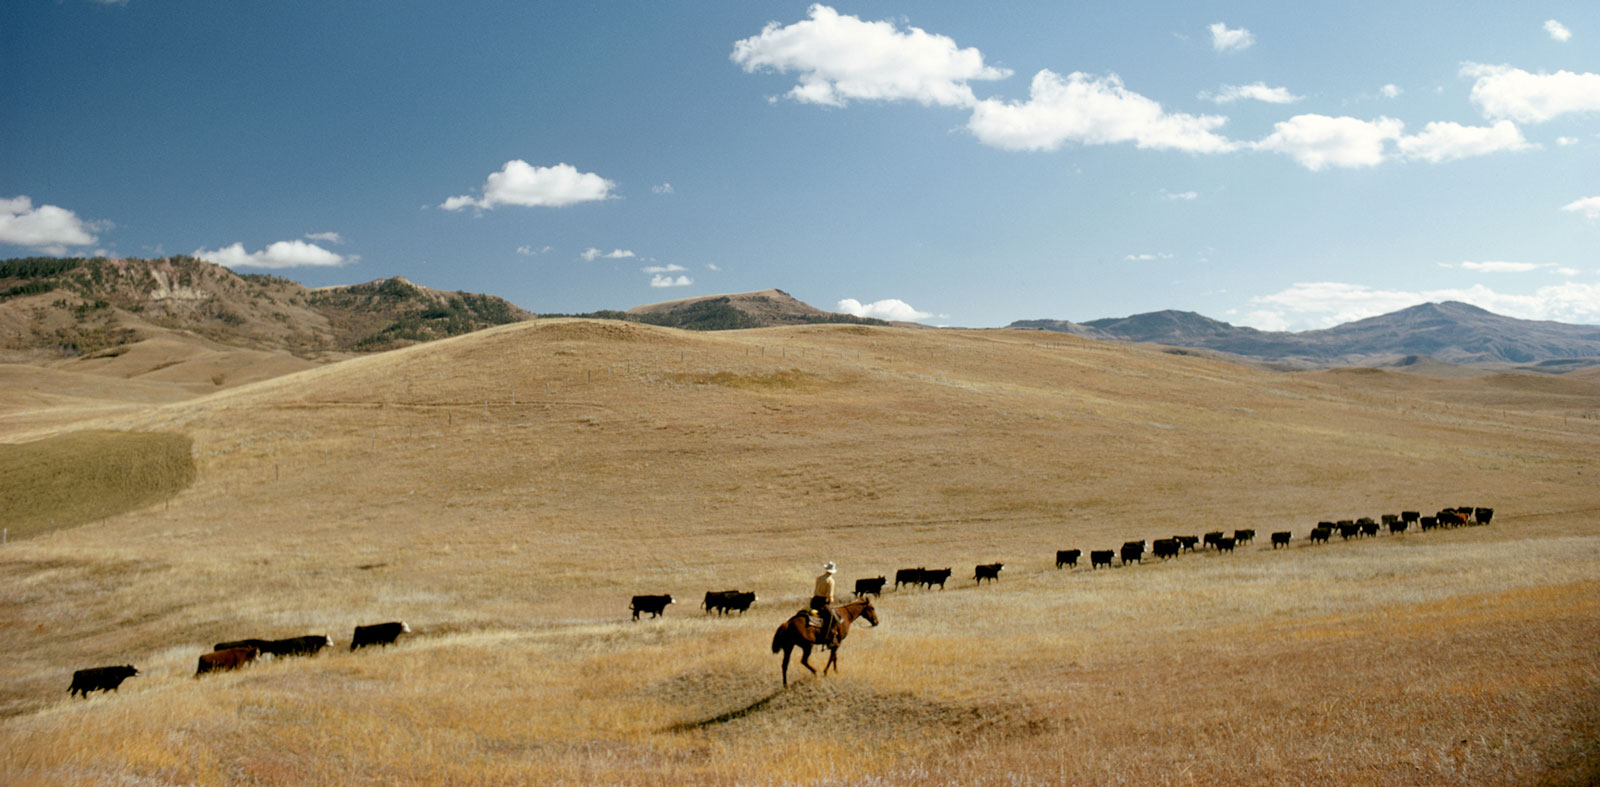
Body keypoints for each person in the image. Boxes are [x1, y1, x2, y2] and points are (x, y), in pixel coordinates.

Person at [811, 561, 836, 643]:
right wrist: (831, 601)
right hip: (822, 602)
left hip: (814, 600)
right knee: (832, 617)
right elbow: (830, 595)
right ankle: (827, 635)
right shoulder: (830, 580)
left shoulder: (819, 578)